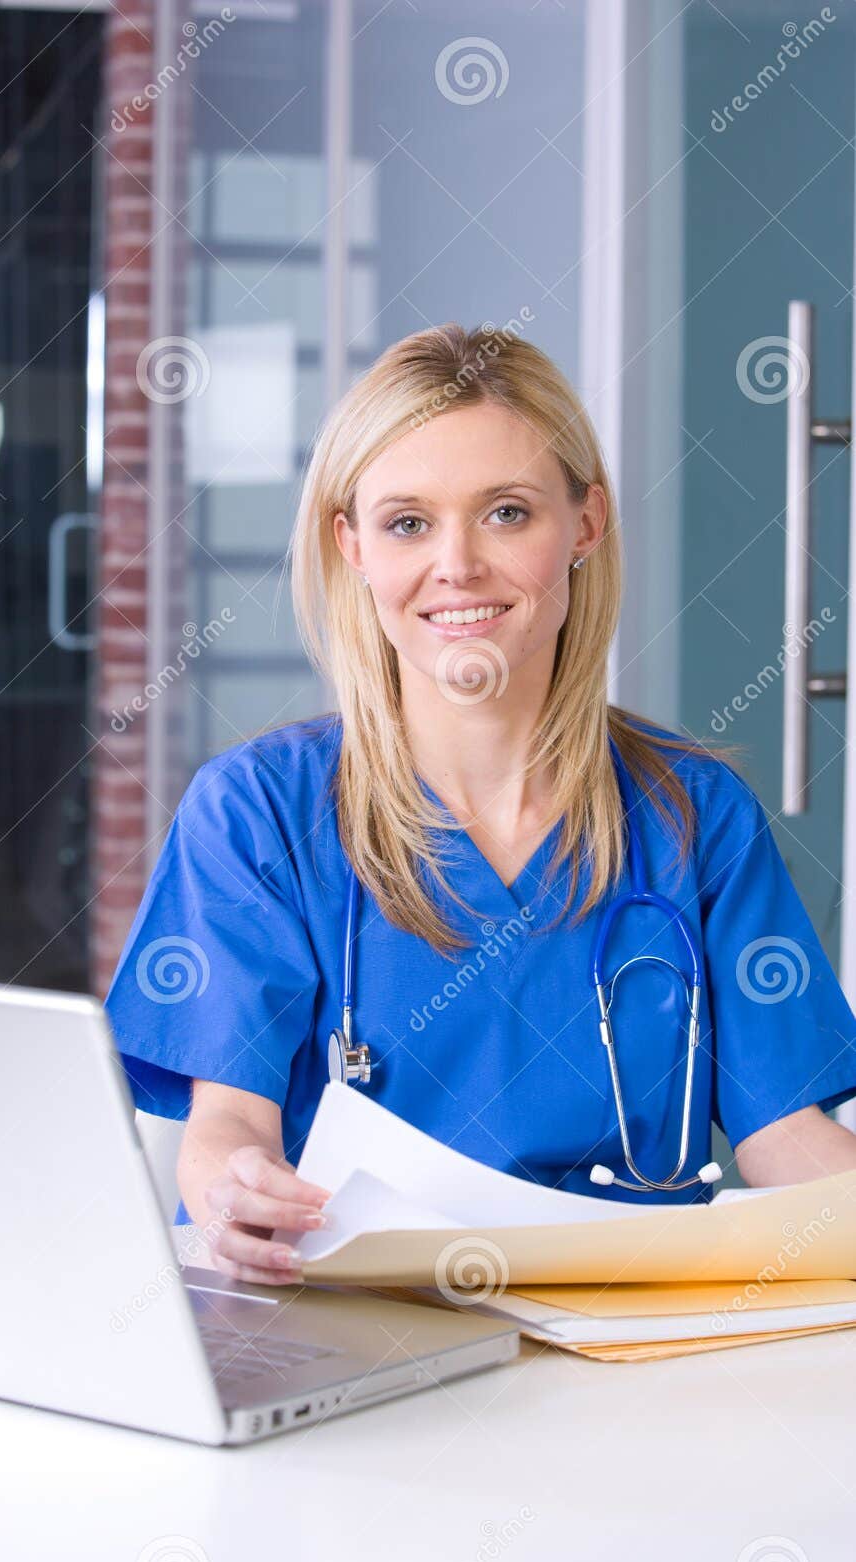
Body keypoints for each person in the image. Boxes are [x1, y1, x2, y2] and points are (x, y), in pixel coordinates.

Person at [104, 322, 856, 1284]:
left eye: (506, 512)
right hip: (360, 1329)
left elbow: (786, 1138)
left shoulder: (693, 813)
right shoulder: (257, 815)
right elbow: (227, 1126)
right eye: (407, 523)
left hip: (625, 1336)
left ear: (583, 525)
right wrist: (232, 1190)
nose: (456, 565)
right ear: (354, 549)